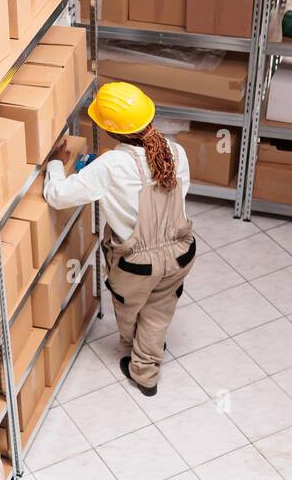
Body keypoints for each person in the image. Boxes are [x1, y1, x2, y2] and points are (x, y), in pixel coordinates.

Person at [43, 81, 195, 396]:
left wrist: (56, 163)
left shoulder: (110, 165)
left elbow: (58, 196)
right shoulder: (175, 151)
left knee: (129, 311)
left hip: (136, 265)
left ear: (111, 131)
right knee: (159, 310)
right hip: (180, 254)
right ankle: (146, 370)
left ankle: (134, 354)